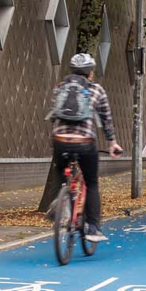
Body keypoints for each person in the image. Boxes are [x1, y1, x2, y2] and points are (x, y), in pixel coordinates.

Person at [49, 52, 122, 242]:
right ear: (90, 73)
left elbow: (54, 115)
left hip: (60, 139)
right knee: (91, 182)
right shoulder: (97, 90)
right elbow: (106, 119)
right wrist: (112, 142)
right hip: (85, 142)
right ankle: (92, 227)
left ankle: (59, 203)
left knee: (61, 171)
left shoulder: (60, 87)